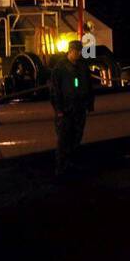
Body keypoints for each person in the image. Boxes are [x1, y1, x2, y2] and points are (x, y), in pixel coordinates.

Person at [49, 39, 96, 177]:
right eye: (76, 51)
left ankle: (71, 164)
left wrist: (89, 104)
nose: (78, 54)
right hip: (66, 110)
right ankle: (61, 168)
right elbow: (55, 91)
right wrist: (59, 110)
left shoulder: (82, 67)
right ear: (70, 51)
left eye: (80, 51)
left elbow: (89, 86)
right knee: (64, 139)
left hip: (79, 108)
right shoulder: (60, 69)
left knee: (76, 137)